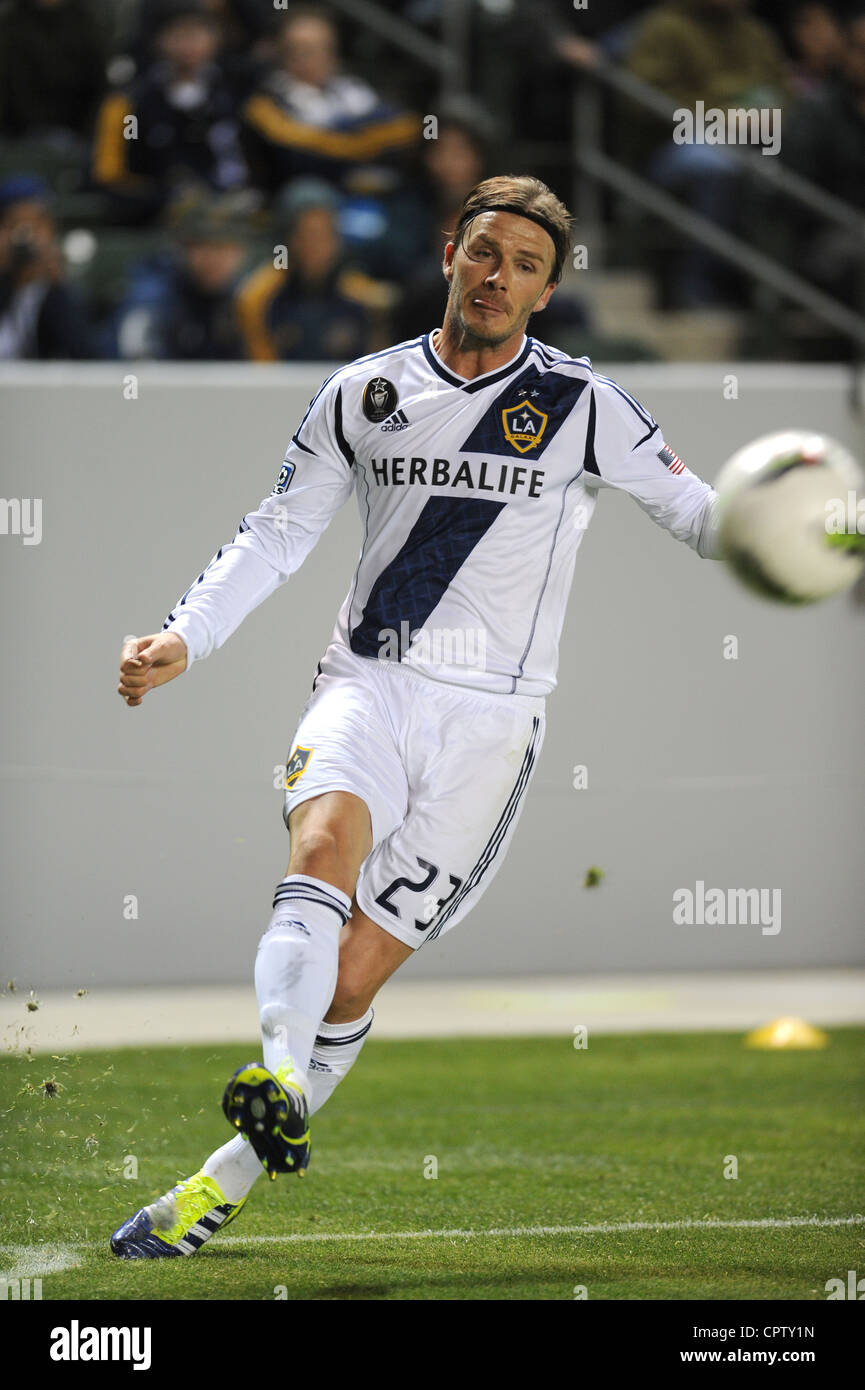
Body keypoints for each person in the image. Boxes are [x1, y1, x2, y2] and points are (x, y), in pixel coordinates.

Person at [109, 173, 723, 1258]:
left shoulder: (583, 405)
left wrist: (826, 525)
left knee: (351, 978)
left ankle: (219, 1182)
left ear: (545, 293)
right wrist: (185, 636)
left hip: (490, 728)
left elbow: (705, 518)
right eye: (484, 252)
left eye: (524, 266)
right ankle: (279, 1077)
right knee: (320, 845)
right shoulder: (364, 392)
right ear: (449, 253)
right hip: (369, 682)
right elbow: (275, 533)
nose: (497, 277)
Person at [0, 174, 94, 359]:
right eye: (14, 225)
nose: (27, 239)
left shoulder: (58, 293)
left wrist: (58, 285)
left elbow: (85, 355)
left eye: (37, 225)